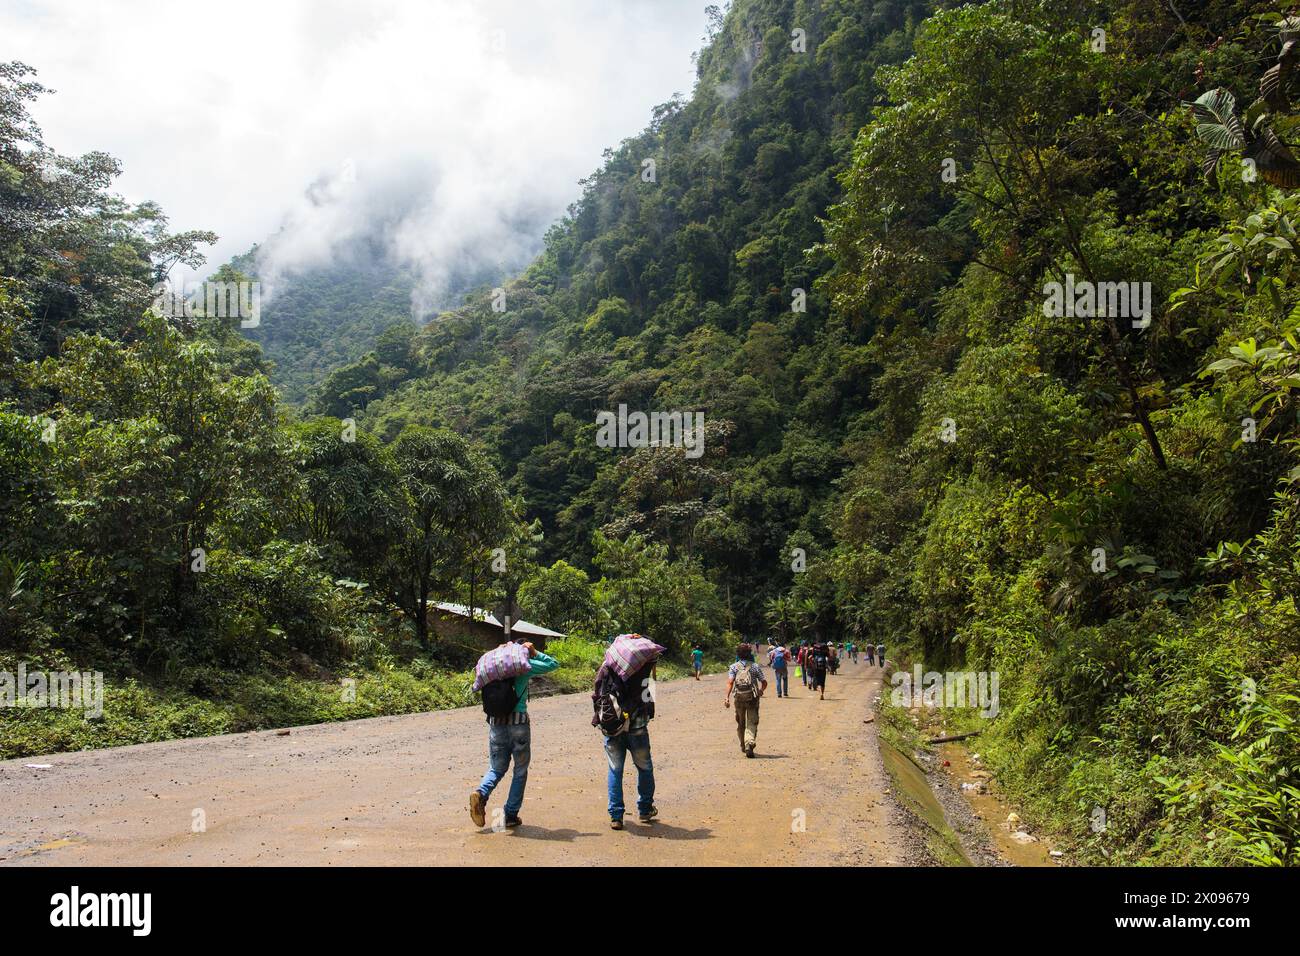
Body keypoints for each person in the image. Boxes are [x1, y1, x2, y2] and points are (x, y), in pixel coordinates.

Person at [470, 640, 558, 829]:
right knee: (520, 770)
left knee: (496, 768)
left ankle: (481, 793)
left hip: (496, 723)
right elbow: (553, 664)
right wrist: (534, 652)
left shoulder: (493, 666)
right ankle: (510, 814)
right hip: (518, 722)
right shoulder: (523, 665)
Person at [599, 660, 658, 830]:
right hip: (637, 728)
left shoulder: (608, 668)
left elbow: (598, 692)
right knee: (645, 768)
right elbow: (650, 705)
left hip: (614, 728)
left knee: (615, 770)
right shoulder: (644, 670)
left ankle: (616, 816)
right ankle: (645, 809)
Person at [724, 644, 767, 757]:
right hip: (752, 698)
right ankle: (749, 743)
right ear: (749, 654)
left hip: (738, 698)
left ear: (737, 654)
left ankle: (743, 745)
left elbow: (730, 682)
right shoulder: (755, 666)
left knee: (741, 722)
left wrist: (727, 697)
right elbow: (764, 682)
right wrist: (761, 690)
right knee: (752, 721)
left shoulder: (733, 667)